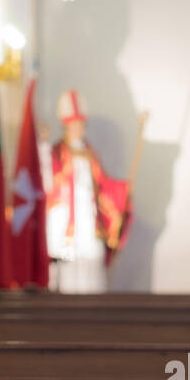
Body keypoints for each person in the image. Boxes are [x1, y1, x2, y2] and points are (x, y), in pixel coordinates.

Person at [41, 90, 132, 293]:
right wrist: (43, 147)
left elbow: (101, 185)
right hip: (64, 224)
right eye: (74, 125)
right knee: (66, 275)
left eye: (81, 125)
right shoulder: (56, 152)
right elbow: (47, 180)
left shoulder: (90, 152)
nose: (78, 129)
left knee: (91, 272)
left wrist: (122, 192)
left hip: (88, 224)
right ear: (66, 125)